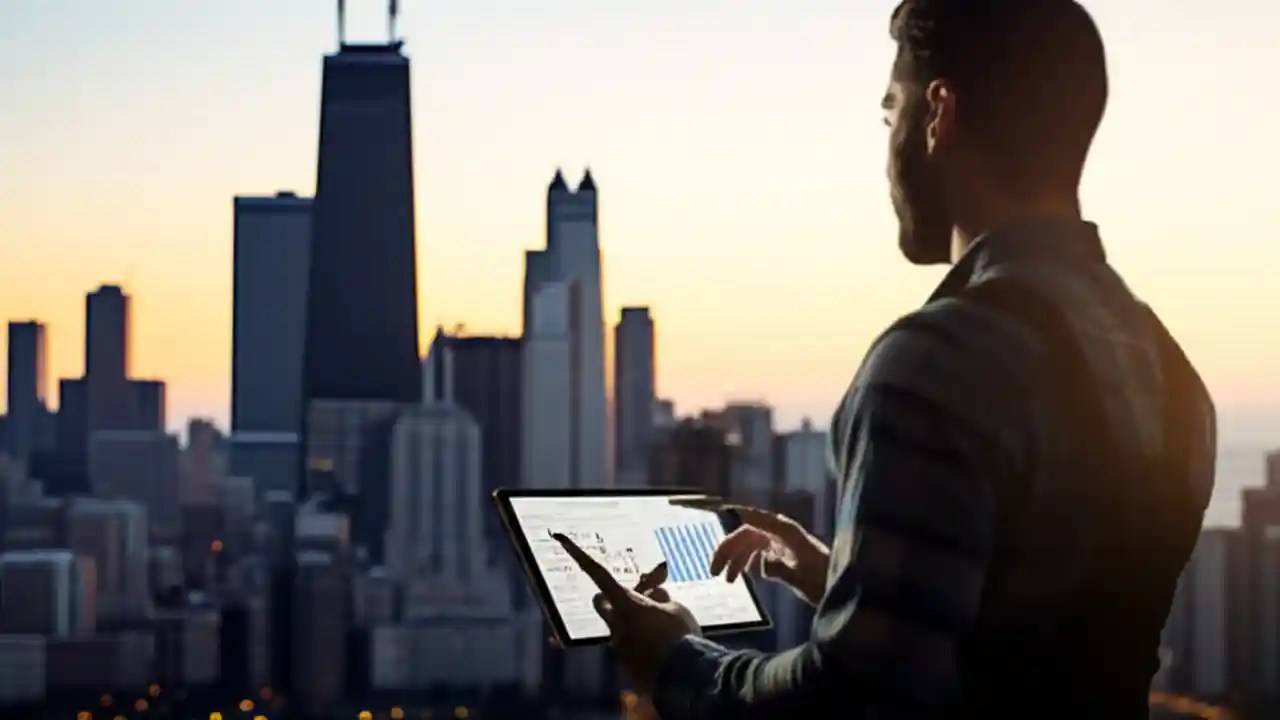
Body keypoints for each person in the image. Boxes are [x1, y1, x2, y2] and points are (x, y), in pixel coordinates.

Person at [553, 0, 1217, 717]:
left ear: (938, 114)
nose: (888, 146)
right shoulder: (1171, 374)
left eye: (889, 111)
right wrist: (843, 576)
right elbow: (1041, 639)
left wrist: (674, 660)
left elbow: (851, 702)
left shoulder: (935, 363)